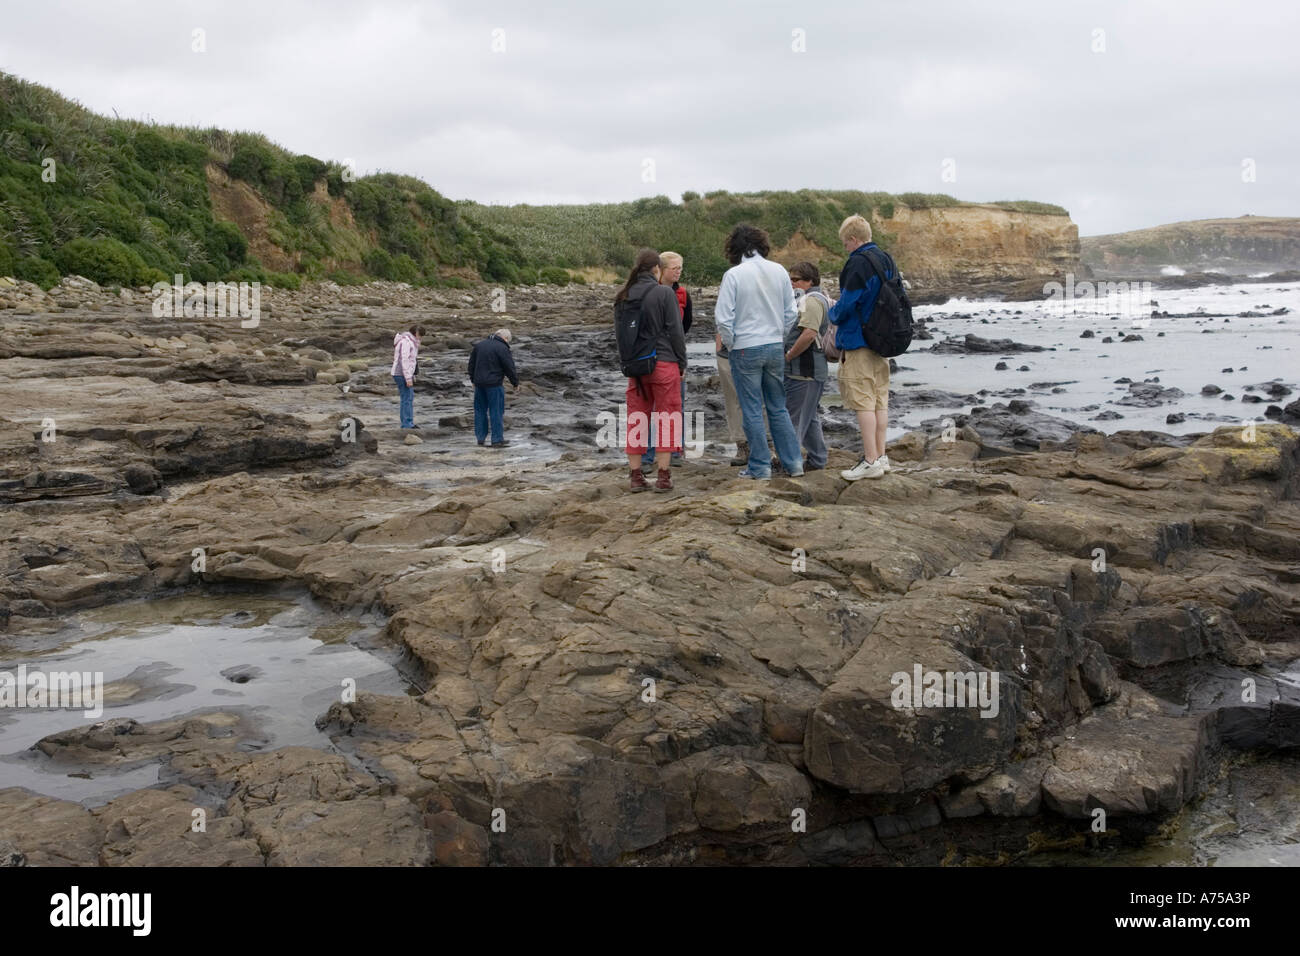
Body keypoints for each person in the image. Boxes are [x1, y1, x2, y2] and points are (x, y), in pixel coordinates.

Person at [713, 224, 804, 479]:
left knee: (751, 408)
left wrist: (731, 344)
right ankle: (794, 463)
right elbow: (791, 313)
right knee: (778, 407)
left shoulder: (734, 275)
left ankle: (760, 466)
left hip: (745, 347)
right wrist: (779, 337)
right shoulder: (779, 271)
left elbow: (723, 318)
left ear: (735, 248)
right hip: (774, 345)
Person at [828, 214, 894, 480]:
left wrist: (832, 314)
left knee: (863, 402)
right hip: (883, 341)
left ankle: (869, 460)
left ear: (853, 240)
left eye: (845, 243)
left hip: (859, 341)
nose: (846, 248)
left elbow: (848, 303)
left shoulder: (858, 263)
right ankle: (881, 456)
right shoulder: (886, 258)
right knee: (880, 400)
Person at [615, 248, 686, 492]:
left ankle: (636, 476)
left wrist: (628, 364)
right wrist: (682, 362)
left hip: (636, 368)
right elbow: (676, 332)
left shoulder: (623, 296)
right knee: (667, 417)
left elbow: (620, 337)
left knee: (636, 419)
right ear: (657, 269)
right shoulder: (664, 293)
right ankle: (663, 476)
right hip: (664, 363)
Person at [642, 251, 693, 470]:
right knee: (647, 407)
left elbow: (684, 326)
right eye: (674, 268)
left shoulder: (682, 294)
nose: (678, 272)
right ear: (661, 269)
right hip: (648, 357)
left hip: (672, 356)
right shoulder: (648, 292)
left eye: (680, 268)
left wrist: (680, 359)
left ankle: (674, 450)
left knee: (675, 405)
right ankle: (647, 453)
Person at [783, 262, 830, 471]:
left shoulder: (810, 301)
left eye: (796, 279)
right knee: (809, 417)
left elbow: (809, 334)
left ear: (809, 281)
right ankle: (817, 460)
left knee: (793, 418)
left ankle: (790, 463)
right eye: (790, 279)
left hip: (804, 370)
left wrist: (789, 355)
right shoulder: (816, 299)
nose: (792, 283)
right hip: (811, 369)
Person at [467, 328, 519, 447]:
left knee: (480, 411)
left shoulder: (480, 345)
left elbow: (471, 364)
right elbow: (509, 367)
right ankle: (497, 439)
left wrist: (473, 380)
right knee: (496, 411)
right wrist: (515, 383)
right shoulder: (502, 348)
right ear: (505, 338)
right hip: (494, 385)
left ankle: (480, 438)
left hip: (479, 383)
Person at [391, 324, 422, 429]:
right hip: (401, 373)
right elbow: (404, 360)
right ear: (416, 333)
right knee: (407, 398)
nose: (421, 337)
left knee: (407, 397)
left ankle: (407, 422)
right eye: (420, 335)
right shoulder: (406, 342)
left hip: (403, 373)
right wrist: (408, 378)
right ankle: (407, 423)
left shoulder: (410, 341)